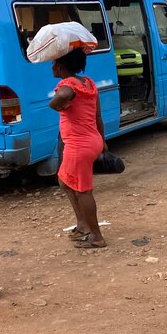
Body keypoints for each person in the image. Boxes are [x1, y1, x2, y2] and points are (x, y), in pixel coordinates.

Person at [49, 48, 107, 250]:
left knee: (83, 191)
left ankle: (96, 236)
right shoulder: (88, 83)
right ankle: (83, 224)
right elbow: (98, 116)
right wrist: (102, 141)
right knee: (64, 180)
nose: (52, 67)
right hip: (92, 140)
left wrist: (55, 105)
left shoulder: (68, 85)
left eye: (54, 63)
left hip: (79, 145)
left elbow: (62, 95)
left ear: (60, 66)